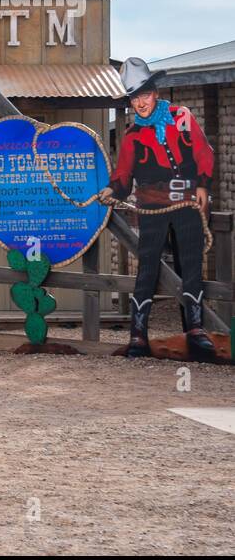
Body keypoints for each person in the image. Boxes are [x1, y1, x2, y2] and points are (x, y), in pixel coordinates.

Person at [97, 57, 216, 360]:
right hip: (151, 208)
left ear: (155, 93)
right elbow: (123, 176)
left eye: (144, 94)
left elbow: (203, 151)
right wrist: (111, 190)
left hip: (187, 203)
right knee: (147, 268)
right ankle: (138, 335)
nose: (140, 102)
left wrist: (202, 185)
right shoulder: (132, 137)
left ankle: (195, 330)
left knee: (189, 264)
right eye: (134, 97)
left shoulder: (183, 117)